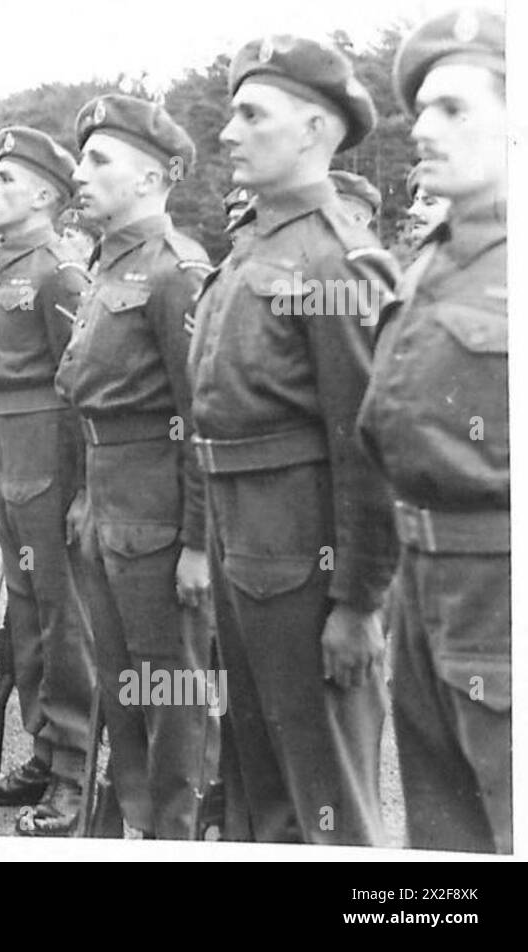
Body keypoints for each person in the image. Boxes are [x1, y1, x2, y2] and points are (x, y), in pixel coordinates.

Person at [187, 37, 398, 845]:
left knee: (328, 802)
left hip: (303, 565)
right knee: (261, 790)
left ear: (313, 130)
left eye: (251, 115)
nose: (229, 133)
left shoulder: (334, 258)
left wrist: (357, 602)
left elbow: (364, 445)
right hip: (246, 550)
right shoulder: (255, 248)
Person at [358, 8, 508, 854]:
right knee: (445, 848)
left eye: (455, 108)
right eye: (421, 108)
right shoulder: (428, 265)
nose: (423, 126)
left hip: (499, 592)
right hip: (422, 585)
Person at [55, 96, 216, 839]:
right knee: (123, 691)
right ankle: (137, 829)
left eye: (98, 161)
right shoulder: (107, 263)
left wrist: (195, 543)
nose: (79, 175)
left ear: (153, 178)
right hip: (108, 505)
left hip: (157, 516)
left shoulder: (175, 269)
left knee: (172, 695)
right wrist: (86, 496)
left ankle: (175, 835)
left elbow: (201, 417)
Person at [0, 127, 96, 834]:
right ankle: (44, 746)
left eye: (8, 180)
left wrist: (83, 490)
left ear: (45, 195)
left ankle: (74, 770)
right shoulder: (0, 265)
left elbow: (81, 390)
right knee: (27, 616)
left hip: (49, 457)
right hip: (9, 453)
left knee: (63, 618)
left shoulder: (57, 272)